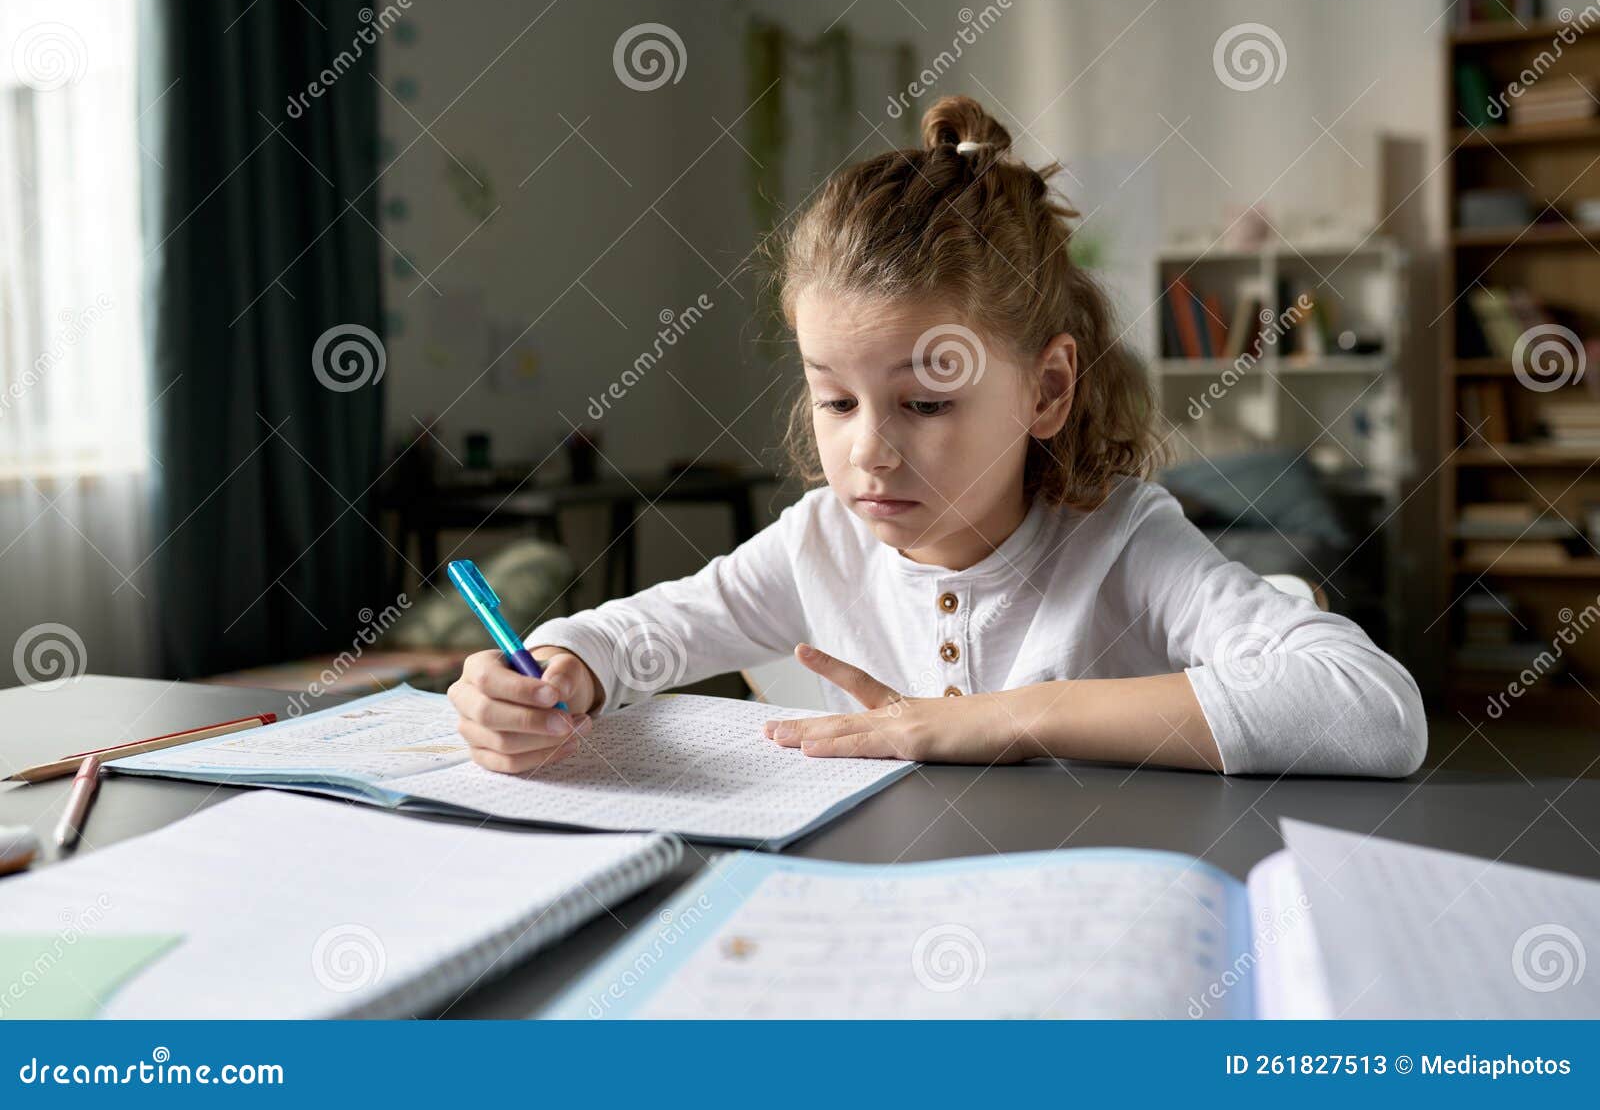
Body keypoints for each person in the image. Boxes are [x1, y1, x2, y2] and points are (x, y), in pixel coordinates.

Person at [446, 95, 1427, 780]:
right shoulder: (818, 542)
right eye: (835, 401)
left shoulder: (1120, 542)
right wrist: (552, 669)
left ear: (1045, 389)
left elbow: (1371, 709)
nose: (869, 451)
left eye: (924, 403)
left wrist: (992, 722)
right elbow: (640, 631)